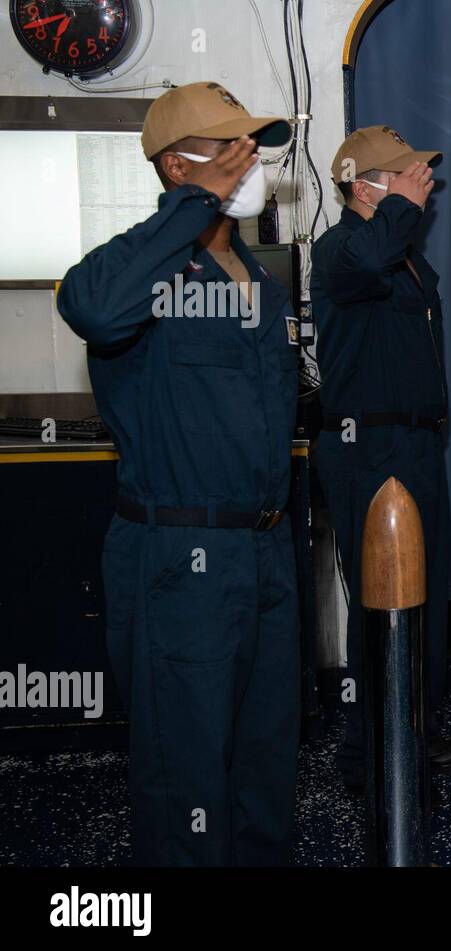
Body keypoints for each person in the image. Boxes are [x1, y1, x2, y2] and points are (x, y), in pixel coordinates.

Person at [58, 82, 299, 865]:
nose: (249, 163)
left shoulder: (253, 278)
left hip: (263, 552)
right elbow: (91, 308)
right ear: (177, 166)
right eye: (230, 150)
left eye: (252, 149)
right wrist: (193, 208)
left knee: (265, 765)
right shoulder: (143, 270)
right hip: (179, 564)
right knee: (184, 781)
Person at [311, 125, 451, 796]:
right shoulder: (340, 250)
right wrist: (401, 210)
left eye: (422, 176)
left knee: (424, 597)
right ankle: (366, 755)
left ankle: (412, 730)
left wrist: (401, 210)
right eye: (405, 177)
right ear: (363, 187)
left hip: (412, 447)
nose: (423, 183)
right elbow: (366, 265)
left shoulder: (397, 252)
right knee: (383, 603)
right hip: (366, 449)